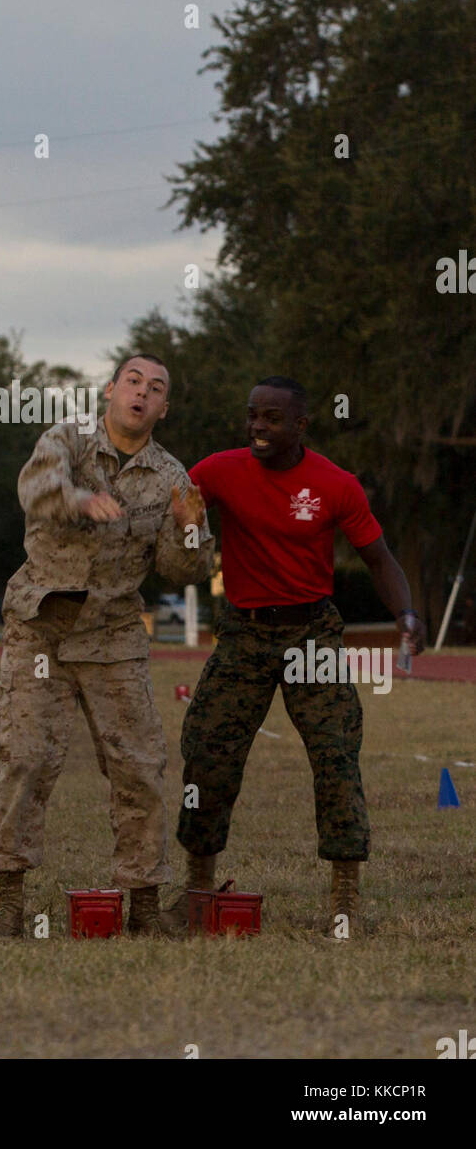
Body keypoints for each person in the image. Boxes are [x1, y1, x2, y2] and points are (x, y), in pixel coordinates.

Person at [165, 377, 425, 938]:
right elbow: (176, 508)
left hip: (312, 634)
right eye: (253, 416)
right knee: (208, 753)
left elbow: (378, 559)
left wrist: (406, 614)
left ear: (301, 425)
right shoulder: (218, 470)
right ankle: (196, 889)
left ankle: (346, 898)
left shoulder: (336, 484)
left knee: (336, 756)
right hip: (243, 633)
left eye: (272, 419)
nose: (258, 427)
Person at [0, 354, 214, 938]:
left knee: (139, 766)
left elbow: (180, 570)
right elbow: (35, 486)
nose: (141, 393)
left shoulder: (170, 477)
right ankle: (9, 903)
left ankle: (142, 906)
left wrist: (191, 526)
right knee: (27, 757)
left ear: (164, 407)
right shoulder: (67, 438)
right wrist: (78, 501)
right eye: (132, 381)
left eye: (155, 388)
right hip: (43, 626)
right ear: (110, 390)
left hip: (113, 634)